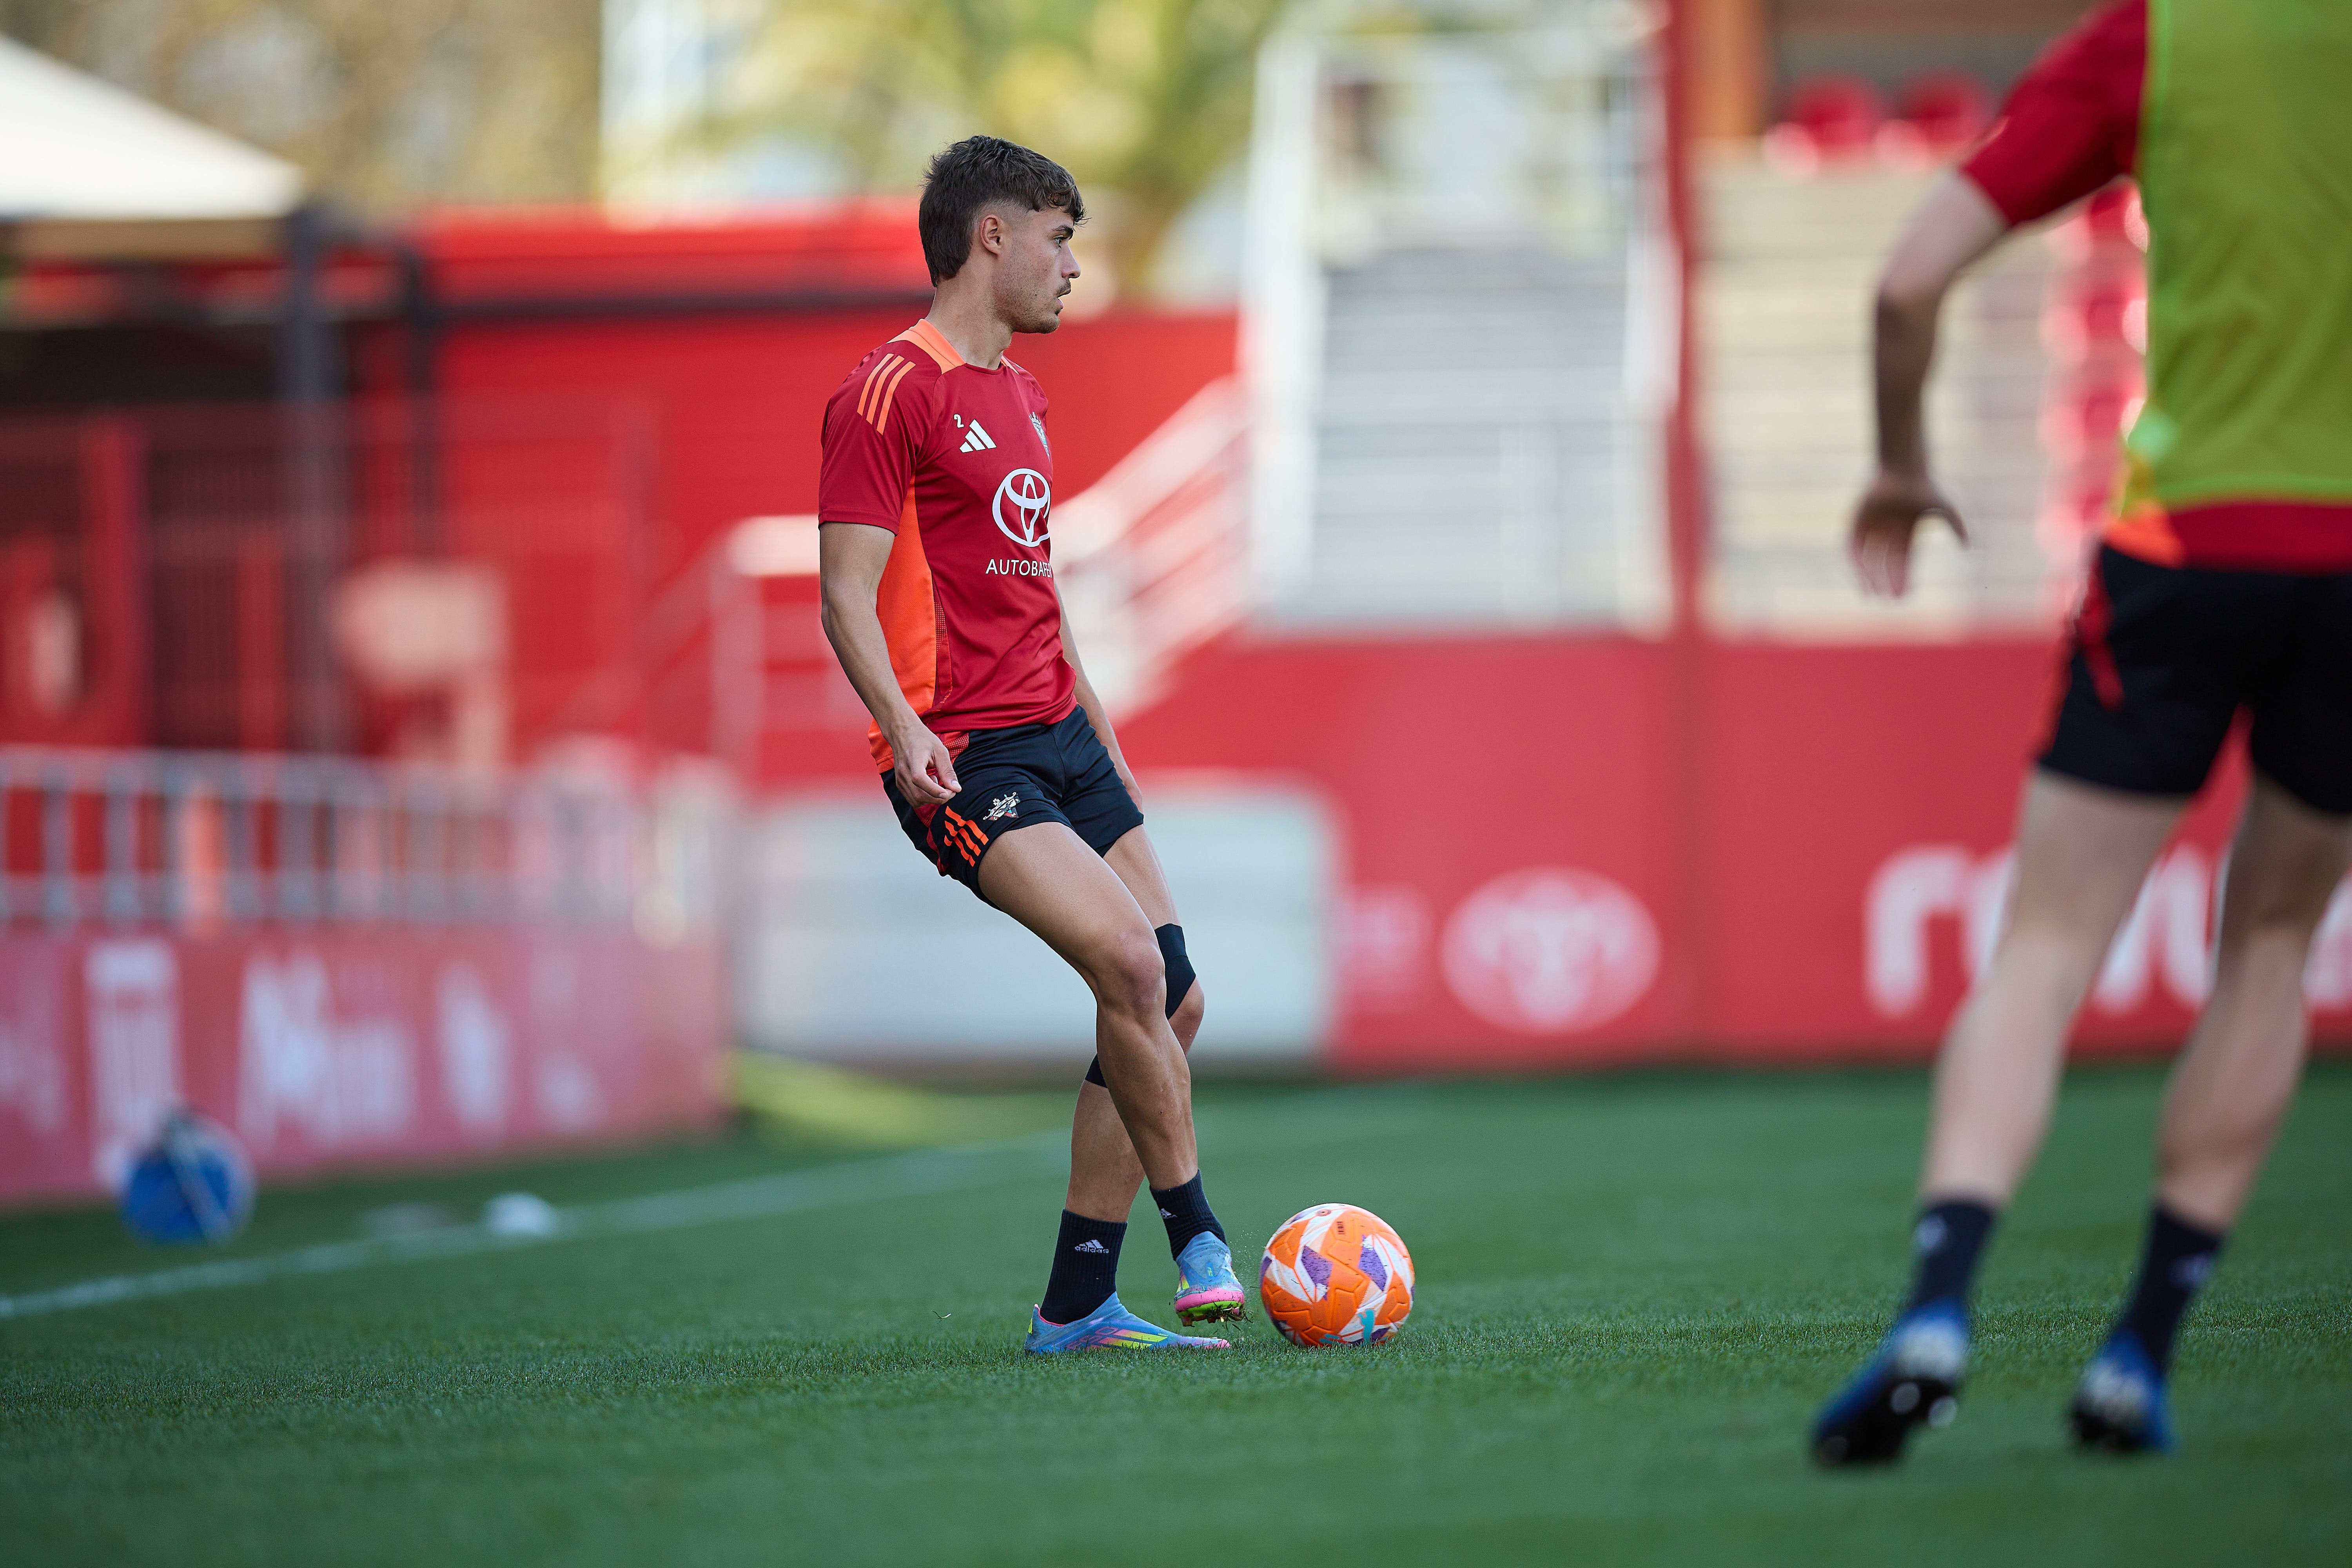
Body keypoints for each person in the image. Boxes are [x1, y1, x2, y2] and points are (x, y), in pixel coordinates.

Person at [1814, 0, 2352, 1463]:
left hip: (2182, 558)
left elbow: (1909, 283)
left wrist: (1900, 468)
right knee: (2269, 950)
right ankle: (2140, 1357)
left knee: (2046, 946)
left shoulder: (2155, 39)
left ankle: (1939, 1306)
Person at [815, 135, 1246, 1352]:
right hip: (962, 753)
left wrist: (1107, 747)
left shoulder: (1023, 396)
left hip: (1064, 735)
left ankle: (1076, 1306)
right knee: (1128, 966)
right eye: (1059, 237)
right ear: (991, 235)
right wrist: (904, 733)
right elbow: (845, 596)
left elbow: (1038, 594)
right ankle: (1199, 1233)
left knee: (1182, 996)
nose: (1073, 265)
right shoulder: (888, 389)